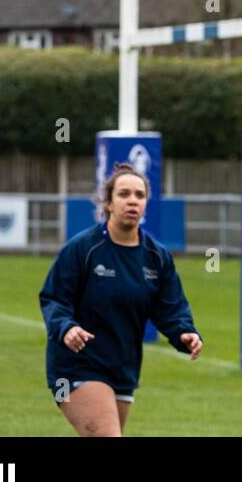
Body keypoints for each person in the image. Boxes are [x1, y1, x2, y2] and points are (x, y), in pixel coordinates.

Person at [39, 162, 202, 436]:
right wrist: (66, 327)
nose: (132, 201)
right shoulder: (84, 248)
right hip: (75, 366)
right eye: (124, 194)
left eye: (139, 196)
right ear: (108, 203)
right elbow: (54, 297)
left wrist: (184, 333)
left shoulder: (156, 257)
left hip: (122, 369)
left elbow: (170, 308)